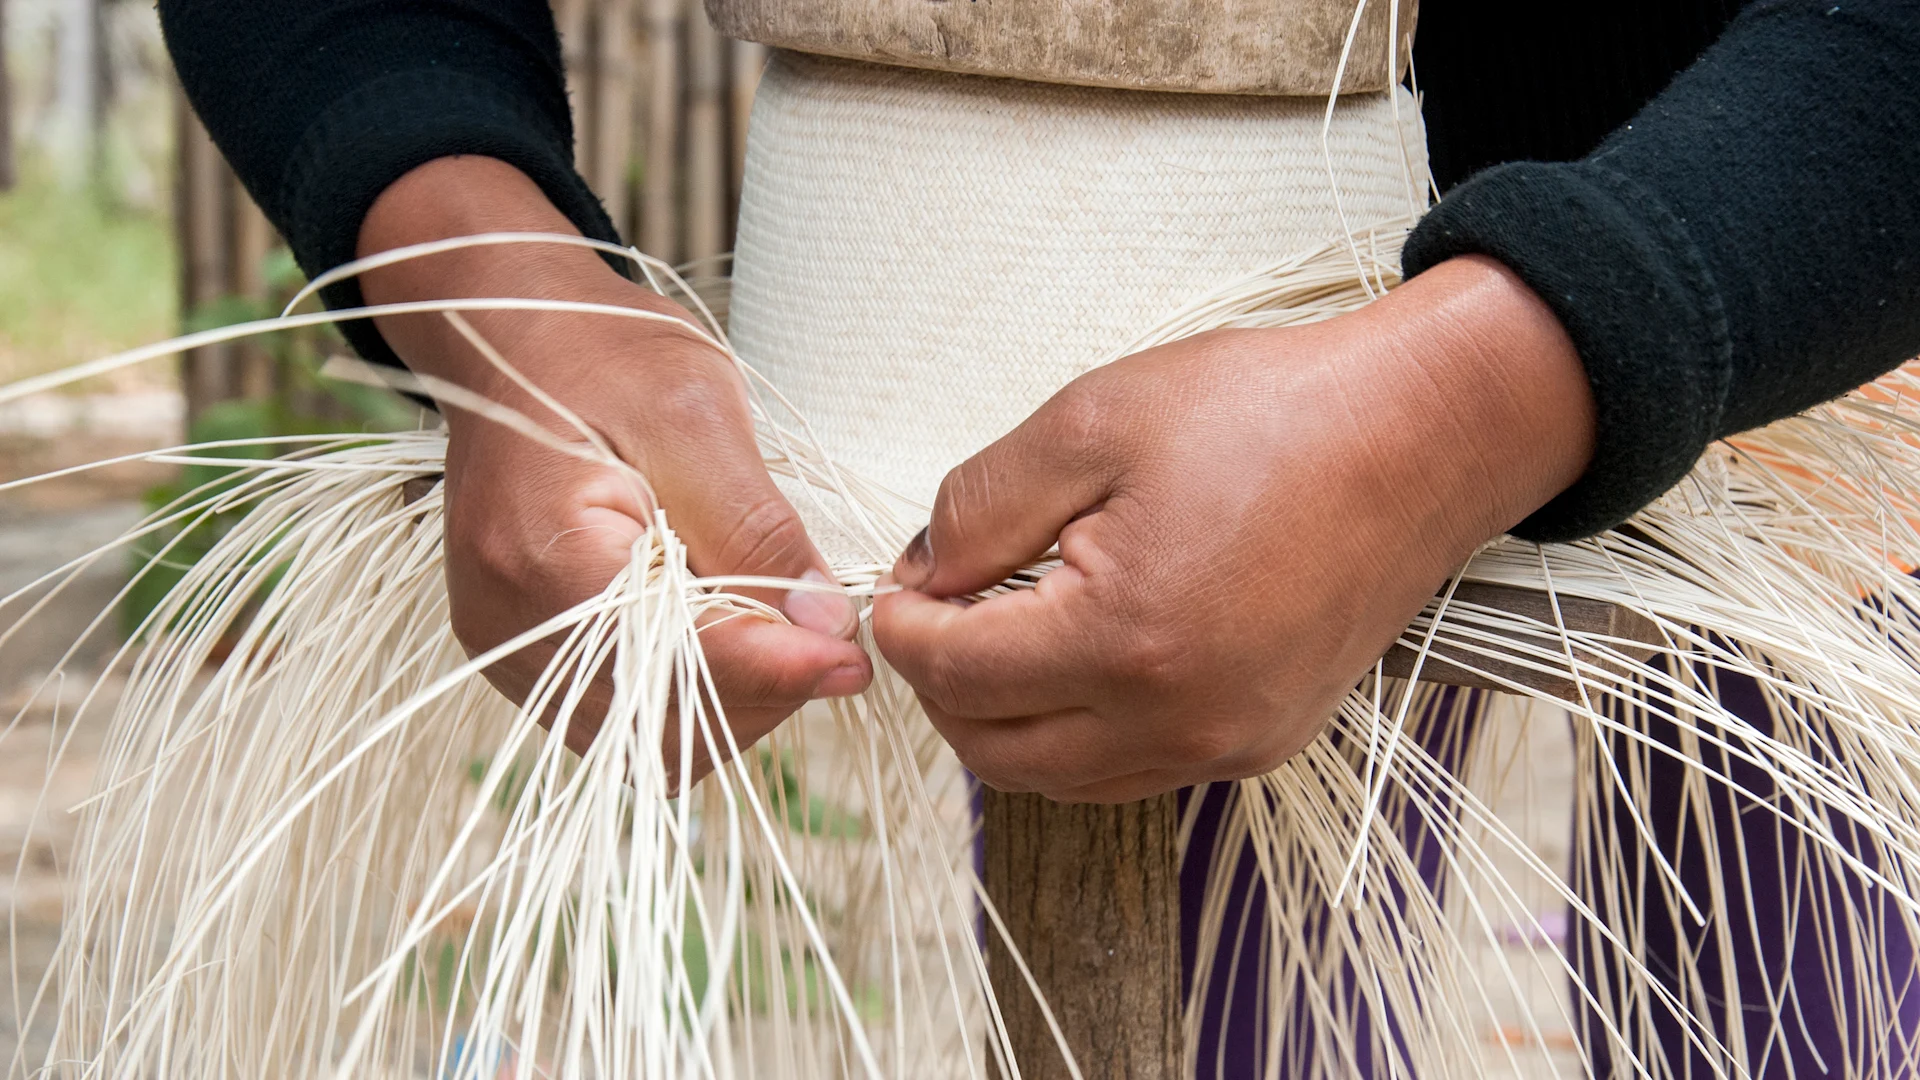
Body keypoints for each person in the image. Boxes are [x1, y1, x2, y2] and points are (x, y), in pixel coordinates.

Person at [159, 0, 1920, 1073]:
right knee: (1192, 895)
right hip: (1117, 309)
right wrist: (480, 266)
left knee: (1813, 949)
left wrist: (1498, 378)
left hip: (1823, 267)